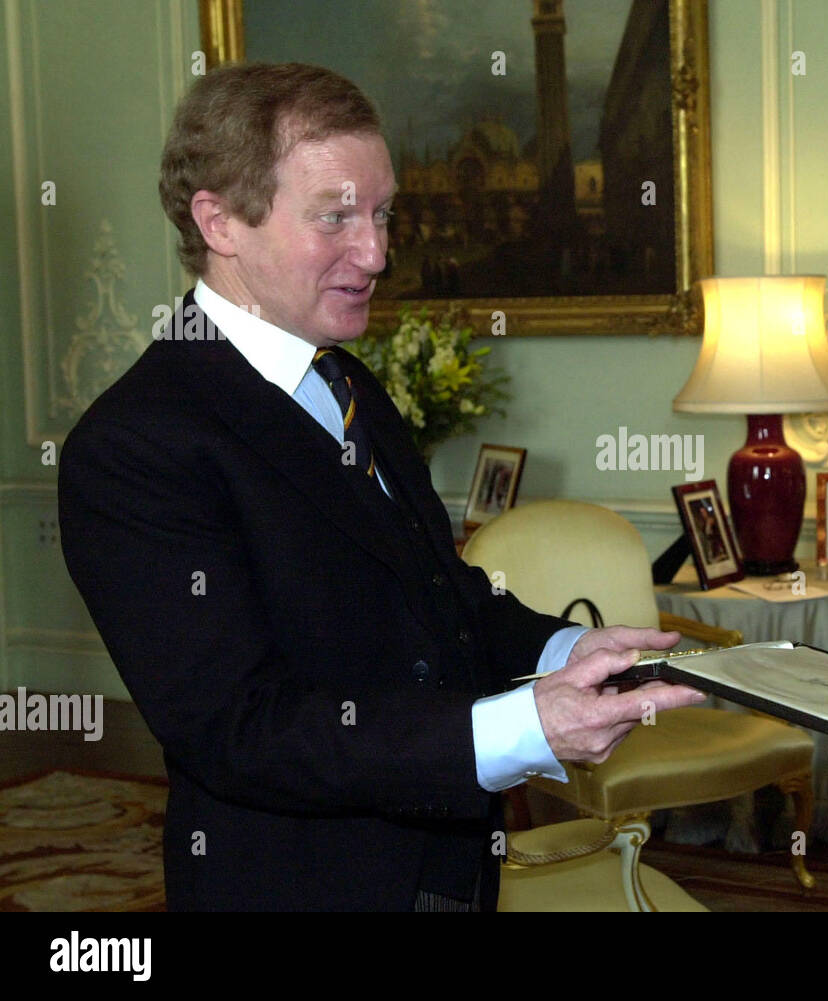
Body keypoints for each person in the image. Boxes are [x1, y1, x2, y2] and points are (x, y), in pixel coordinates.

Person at [57, 62, 703, 912]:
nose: (378, 252)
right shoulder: (135, 443)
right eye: (336, 217)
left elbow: (441, 602)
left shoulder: (349, 382)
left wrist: (562, 652)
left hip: (449, 874)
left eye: (383, 212)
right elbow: (242, 731)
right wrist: (523, 728)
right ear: (220, 221)